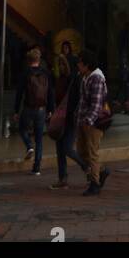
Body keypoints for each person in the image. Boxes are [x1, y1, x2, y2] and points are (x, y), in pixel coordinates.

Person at [12, 46, 54, 176]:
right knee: (40, 139)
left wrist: (16, 110)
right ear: (39, 59)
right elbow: (50, 92)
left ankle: (29, 146)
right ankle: (37, 168)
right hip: (41, 109)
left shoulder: (25, 73)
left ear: (28, 60)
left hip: (28, 107)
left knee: (22, 129)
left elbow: (19, 93)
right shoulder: (46, 73)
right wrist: (51, 109)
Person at [49, 45, 87, 189]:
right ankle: (62, 178)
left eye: (63, 64)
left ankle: (86, 166)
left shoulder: (74, 80)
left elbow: (78, 100)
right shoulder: (58, 80)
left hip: (70, 119)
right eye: (59, 64)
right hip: (60, 118)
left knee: (67, 148)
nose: (61, 67)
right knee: (60, 150)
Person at [75, 49, 111, 196]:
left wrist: (88, 121)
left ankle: (95, 183)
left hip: (93, 122)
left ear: (86, 64)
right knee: (82, 152)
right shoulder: (85, 77)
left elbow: (96, 104)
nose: (77, 65)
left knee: (92, 152)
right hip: (84, 120)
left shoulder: (96, 78)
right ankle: (101, 171)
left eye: (80, 62)